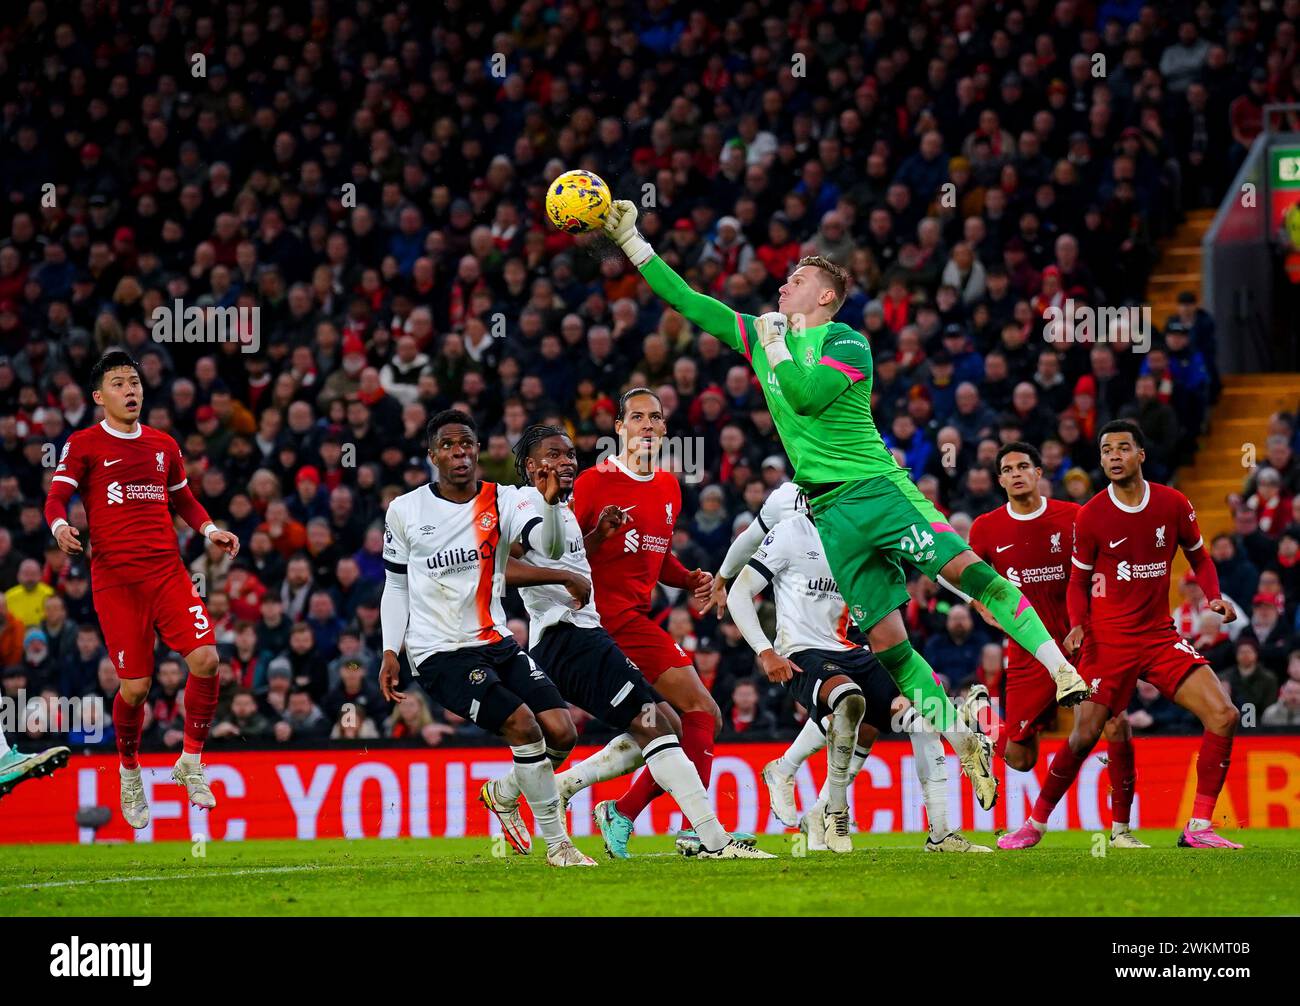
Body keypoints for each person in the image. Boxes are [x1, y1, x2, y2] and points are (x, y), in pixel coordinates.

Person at [603, 199, 1092, 813]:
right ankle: (962, 734)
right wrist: (632, 241)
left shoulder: (847, 344)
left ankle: (1059, 670)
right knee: (891, 647)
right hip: (829, 513)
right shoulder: (760, 335)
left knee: (975, 578)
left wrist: (777, 347)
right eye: (786, 279)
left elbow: (806, 399)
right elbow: (689, 303)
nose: (784, 284)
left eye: (799, 280)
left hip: (877, 490)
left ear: (826, 298)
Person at [483, 425, 769, 860]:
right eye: (553, 455)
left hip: (581, 634)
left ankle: (509, 790)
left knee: (660, 725)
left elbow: (565, 556)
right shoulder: (526, 504)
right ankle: (710, 840)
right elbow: (505, 567)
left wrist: (598, 535)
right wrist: (564, 576)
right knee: (661, 725)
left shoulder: (563, 508)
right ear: (530, 466)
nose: (565, 462)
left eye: (568, 454)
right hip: (568, 638)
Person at [998, 421, 1243, 850]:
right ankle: (1034, 824)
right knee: (1086, 733)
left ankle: (1199, 827)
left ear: (1140, 455)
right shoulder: (1091, 514)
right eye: (1106, 450)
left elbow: (1199, 558)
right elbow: (1077, 582)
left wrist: (1214, 597)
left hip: (1159, 636)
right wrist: (1078, 625)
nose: (1113, 456)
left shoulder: (1173, 503)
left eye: (1122, 448)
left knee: (1224, 715)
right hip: (1108, 641)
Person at [378, 410, 595, 868]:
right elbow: (395, 586)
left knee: (562, 731)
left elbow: (551, 546)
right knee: (523, 725)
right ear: (433, 454)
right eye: (450, 445)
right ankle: (558, 844)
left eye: (468, 444)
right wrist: (389, 650)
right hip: (439, 651)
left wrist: (553, 505)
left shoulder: (506, 499)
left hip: (495, 640)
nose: (460, 453)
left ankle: (503, 793)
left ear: (478, 451)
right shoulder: (405, 510)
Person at [43, 350, 241, 827]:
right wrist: (58, 528)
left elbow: (184, 500)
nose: (130, 390)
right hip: (116, 582)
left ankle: (191, 761)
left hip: (168, 573)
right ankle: (130, 772)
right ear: (99, 396)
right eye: (118, 384)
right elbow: (56, 495)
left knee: (208, 659)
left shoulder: (163, 445)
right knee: (136, 689)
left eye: (134, 382)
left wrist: (210, 529)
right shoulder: (86, 443)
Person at [725, 497, 990, 853]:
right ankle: (834, 812)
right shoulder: (792, 530)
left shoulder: (861, 535)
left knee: (921, 721)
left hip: (850, 645)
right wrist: (765, 650)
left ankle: (940, 834)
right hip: (801, 650)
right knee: (849, 701)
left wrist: (974, 596)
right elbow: (740, 592)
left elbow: (927, 561)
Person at [954, 442, 1146, 848]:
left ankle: (1121, 830)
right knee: (1022, 760)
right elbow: (967, 575)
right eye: (1008, 469)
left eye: (1025, 466)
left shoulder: (1074, 517)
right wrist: (979, 603)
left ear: (1040, 473)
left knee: (1115, 722)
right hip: (1029, 651)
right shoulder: (987, 528)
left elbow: (1106, 565)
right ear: (1000, 480)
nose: (1017, 473)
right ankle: (986, 718)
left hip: (1083, 641)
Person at [569, 388, 725, 858]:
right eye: (637, 417)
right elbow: (565, 555)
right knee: (699, 711)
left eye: (655, 418)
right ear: (619, 428)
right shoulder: (592, 483)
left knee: (683, 721)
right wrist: (599, 535)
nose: (648, 426)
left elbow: (655, 556)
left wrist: (690, 577)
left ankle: (623, 812)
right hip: (599, 621)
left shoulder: (668, 487)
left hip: (633, 618)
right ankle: (696, 827)